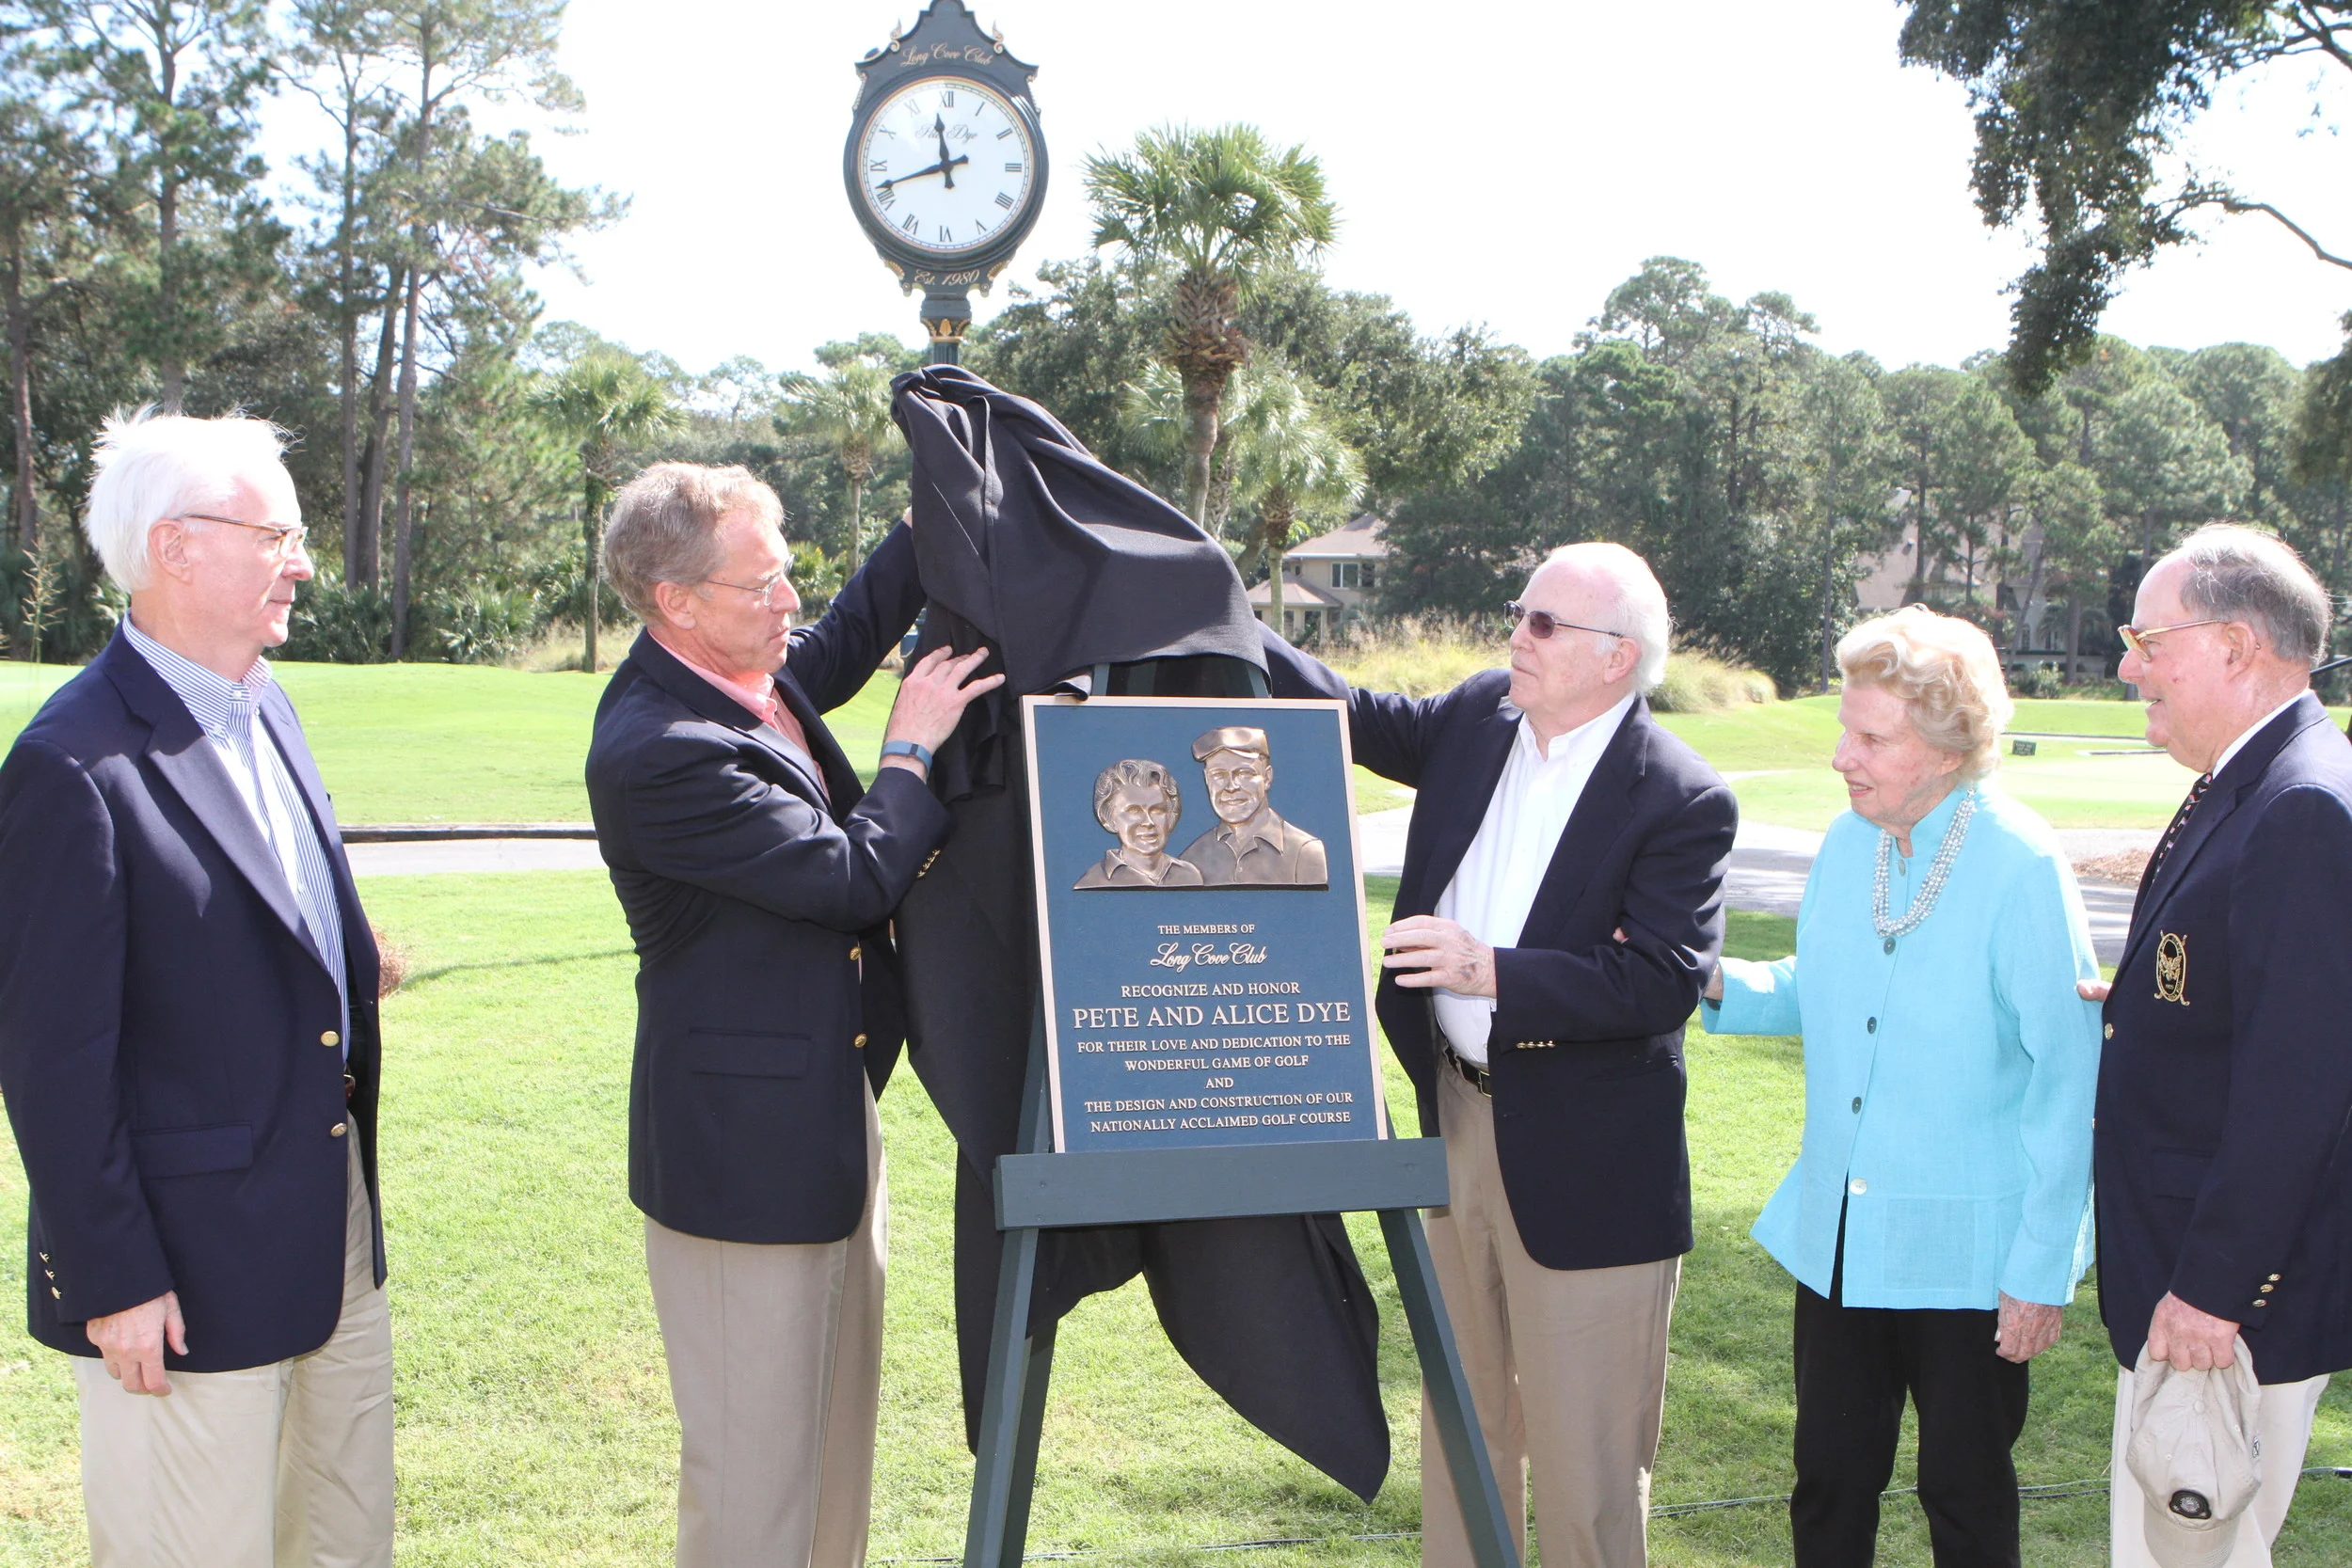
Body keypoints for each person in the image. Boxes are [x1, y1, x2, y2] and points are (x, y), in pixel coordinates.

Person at [1264, 541, 1737, 1568]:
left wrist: (1491, 969)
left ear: (1617, 657)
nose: (1514, 637)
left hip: (1588, 1163)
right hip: (1455, 1118)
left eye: (1542, 624)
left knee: (1586, 1465)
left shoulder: (1678, 796)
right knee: (1460, 1420)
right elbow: (1341, 706)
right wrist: (1203, 600)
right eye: (1518, 614)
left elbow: (1658, 980)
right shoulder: (1480, 716)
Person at [586, 463, 999, 1568]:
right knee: (755, 1486)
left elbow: (849, 630)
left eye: (788, 581)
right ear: (676, 600)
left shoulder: (739, 673)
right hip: (740, 1173)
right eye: (761, 585)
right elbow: (853, 880)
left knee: (830, 1458)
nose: (788, 608)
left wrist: (933, 514)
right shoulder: (659, 751)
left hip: (822, 1125)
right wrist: (909, 748)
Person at [0, 410, 391, 1566]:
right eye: (276, 533)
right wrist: (113, 1278)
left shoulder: (264, 701)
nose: (304, 561)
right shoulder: (72, 766)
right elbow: (50, 1056)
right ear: (175, 547)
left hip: (331, 1236)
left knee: (340, 1538)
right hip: (178, 1280)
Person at [1699, 606, 2101, 1568]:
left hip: (1970, 1253)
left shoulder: (2020, 861)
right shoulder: (1850, 842)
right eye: (1845, 727)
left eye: (1868, 735)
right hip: (1839, 1235)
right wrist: (1719, 982)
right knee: (1828, 1482)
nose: (1841, 754)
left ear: (1945, 741)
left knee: (1962, 1495)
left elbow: (2068, 1070)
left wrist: (2040, 1268)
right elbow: (1829, 986)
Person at [2077, 524, 2352, 1568]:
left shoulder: (2301, 805)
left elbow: (2302, 1083)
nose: (2127, 665)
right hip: (2189, 1286)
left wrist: (2213, 1291)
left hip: (2229, 1309)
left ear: (2236, 646)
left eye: (2148, 639)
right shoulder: (2251, 782)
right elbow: (2256, 1005)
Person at [1177, 725, 1328, 886]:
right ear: (1207, 780)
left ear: (1267, 778)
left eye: (1244, 773)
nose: (1231, 786)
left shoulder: (1304, 853)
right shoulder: (1192, 859)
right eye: (1218, 775)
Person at [1073, 758, 1206, 888]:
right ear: (1107, 818)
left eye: (1157, 810)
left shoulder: (1189, 875)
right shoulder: (1093, 881)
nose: (1148, 822)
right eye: (1134, 811)